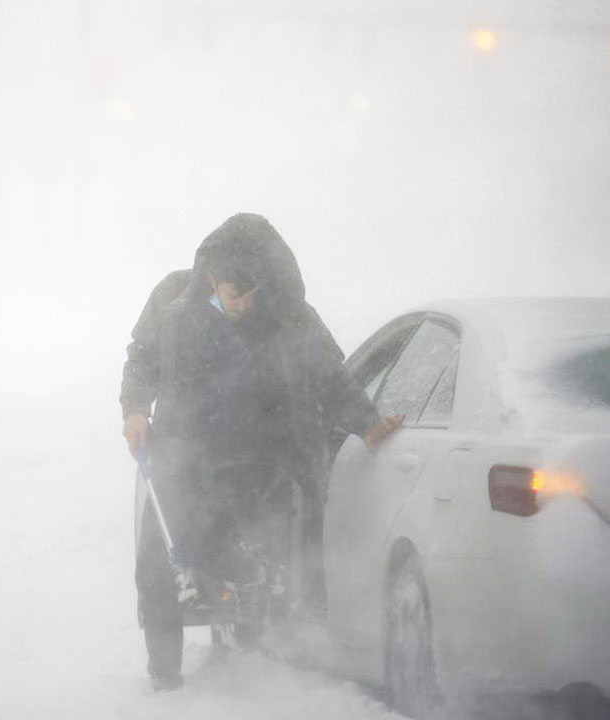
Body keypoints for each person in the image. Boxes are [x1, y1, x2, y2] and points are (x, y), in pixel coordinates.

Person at [120, 213, 402, 691]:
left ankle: (269, 652)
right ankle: (164, 680)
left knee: (259, 554)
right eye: (236, 294)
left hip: (261, 455)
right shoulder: (172, 299)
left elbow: (329, 375)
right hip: (183, 451)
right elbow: (141, 355)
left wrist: (368, 423)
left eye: (254, 294)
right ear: (212, 276)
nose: (246, 305)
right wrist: (134, 409)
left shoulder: (289, 314)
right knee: (157, 563)